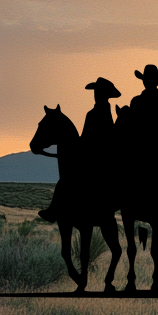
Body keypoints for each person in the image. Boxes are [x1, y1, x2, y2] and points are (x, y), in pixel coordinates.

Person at [38, 76, 121, 222]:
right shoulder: (101, 112)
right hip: (97, 155)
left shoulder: (96, 113)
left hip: (96, 157)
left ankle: (54, 211)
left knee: (65, 182)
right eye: (95, 91)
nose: (95, 94)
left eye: (98, 91)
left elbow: (90, 139)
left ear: (103, 94)